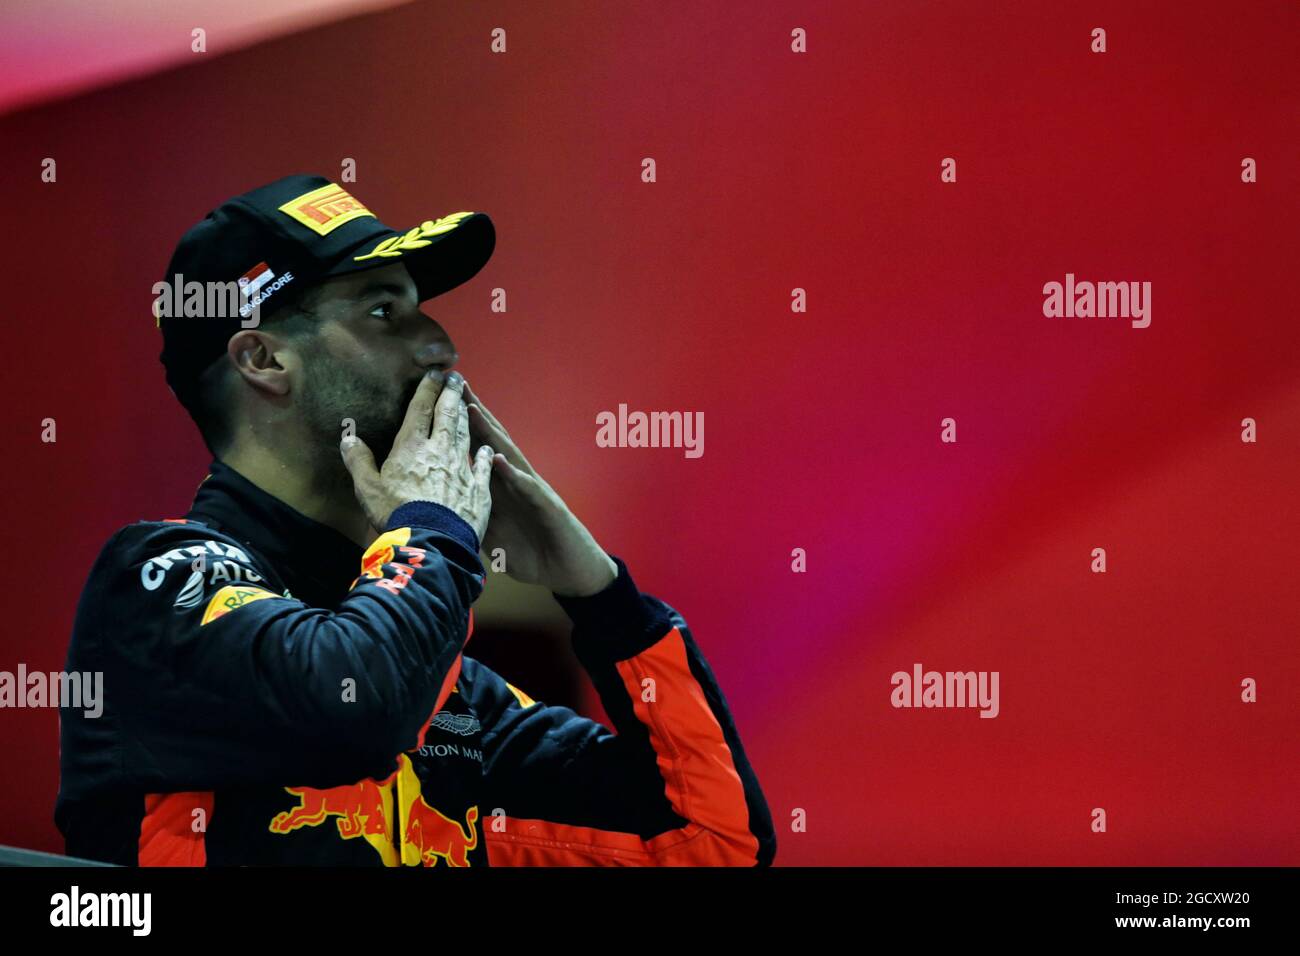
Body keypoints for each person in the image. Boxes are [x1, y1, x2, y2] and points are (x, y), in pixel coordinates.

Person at [54, 174, 776, 866]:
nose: (441, 345)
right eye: (383, 312)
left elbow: (711, 840)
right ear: (263, 358)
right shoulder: (154, 584)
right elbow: (357, 707)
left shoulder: (452, 691)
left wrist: (601, 595)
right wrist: (433, 529)